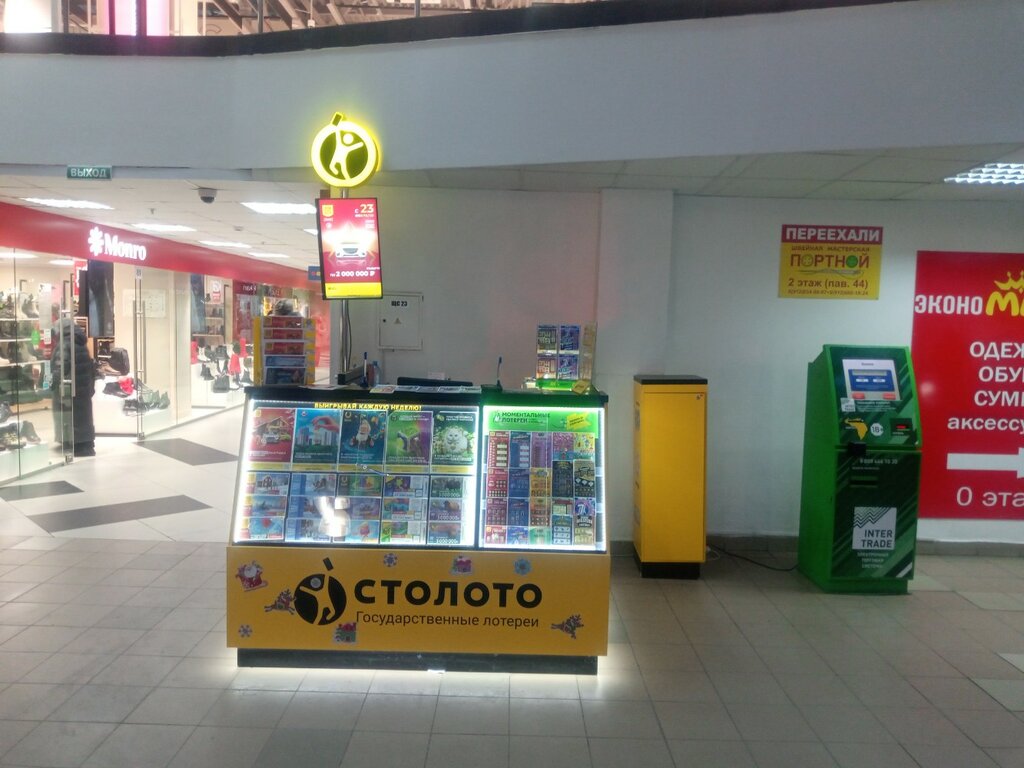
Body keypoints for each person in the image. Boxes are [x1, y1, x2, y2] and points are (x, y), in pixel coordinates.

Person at [50, 319, 96, 457]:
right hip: (82, 388)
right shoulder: (80, 342)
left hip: (69, 389)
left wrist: (52, 384)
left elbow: (60, 367)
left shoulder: (65, 344)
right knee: (83, 416)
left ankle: (73, 443)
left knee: (69, 416)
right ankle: (86, 443)